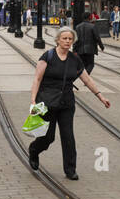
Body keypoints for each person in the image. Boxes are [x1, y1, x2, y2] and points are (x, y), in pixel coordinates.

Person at [28, 27, 111, 179]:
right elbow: (37, 79)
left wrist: (100, 96)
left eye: (70, 39)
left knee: (68, 137)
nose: (67, 41)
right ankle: (34, 150)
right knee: (48, 137)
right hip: (47, 102)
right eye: (64, 38)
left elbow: (86, 79)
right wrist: (33, 100)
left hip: (66, 102)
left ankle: (70, 169)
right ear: (58, 40)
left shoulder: (75, 59)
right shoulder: (48, 56)